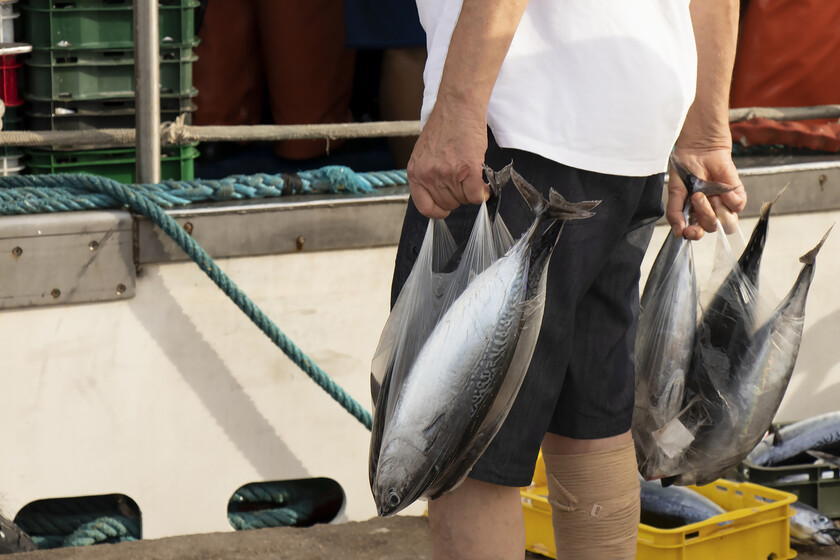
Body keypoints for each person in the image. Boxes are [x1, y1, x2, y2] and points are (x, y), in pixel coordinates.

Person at [388, 1, 746, 559]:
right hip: (631, 135)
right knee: (591, 424)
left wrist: (458, 108)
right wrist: (705, 132)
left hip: (517, 119)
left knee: (459, 449)